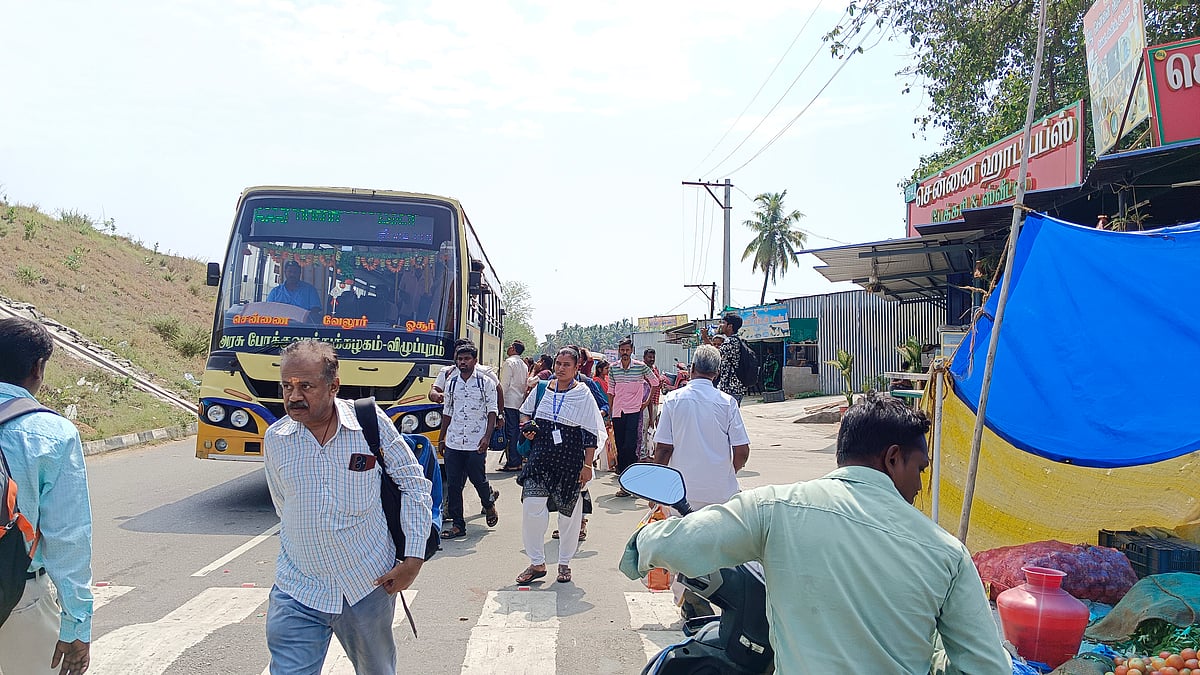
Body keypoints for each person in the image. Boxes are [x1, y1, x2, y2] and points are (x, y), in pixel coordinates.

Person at [621, 394, 1011, 673]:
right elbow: (985, 666)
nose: (919, 486)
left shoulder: (774, 508)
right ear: (893, 459)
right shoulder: (947, 553)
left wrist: (641, 546)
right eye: (920, 470)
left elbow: (687, 540)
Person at [263, 340, 433, 675]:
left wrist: (413, 559)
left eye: (306, 386)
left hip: (365, 586)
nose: (294, 396)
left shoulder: (369, 424)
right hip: (299, 587)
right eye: (287, 386)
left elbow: (413, 485)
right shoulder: (276, 439)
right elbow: (284, 504)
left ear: (333, 386)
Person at [0, 318, 93, 675]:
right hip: (19, 593)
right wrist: (76, 627)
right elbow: (68, 539)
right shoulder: (52, 433)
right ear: (38, 368)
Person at [652, 344, 750, 618]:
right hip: (721, 491)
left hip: (681, 491)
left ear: (691, 368)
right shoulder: (727, 402)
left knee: (683, 544)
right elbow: (741, 451)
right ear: (717, 373)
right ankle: (715, 596)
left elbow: (663, 449)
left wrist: (656, 486)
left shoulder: (673, 400)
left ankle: (690, 597)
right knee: (717, 546)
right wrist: (725, 472)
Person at [515, 347, 605, 585]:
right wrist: (528, 428)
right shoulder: (543, 388)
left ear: (577, 368)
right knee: (532, 507)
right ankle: (537, 563)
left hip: (570, 462)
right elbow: (524, 414)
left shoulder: (583, 393)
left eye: (567, 365)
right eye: (558, 364)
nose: (561, 368)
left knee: (569, 515)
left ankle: (564, 563)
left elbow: (590, 432)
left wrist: (587, 465)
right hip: (540, 459)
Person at [438, 343, 500, 540]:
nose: (462, 362)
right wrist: (442, 437)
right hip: (454, 441)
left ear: (474, 360)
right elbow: (447, 411)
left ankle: (488, 504)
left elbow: (492, 411)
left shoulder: (485, 382)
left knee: (477, 478)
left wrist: (487, 437)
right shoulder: (452, 383)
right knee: (454, 484)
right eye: (459, 359)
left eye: (466, 359)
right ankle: (458, 524)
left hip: (476, 441)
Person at [609, 338, 657, 493]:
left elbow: (655, 383)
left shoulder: (640, 367)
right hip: (618, 411)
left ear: (632, 350)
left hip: (634, 411)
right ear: (619, 350)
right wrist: (610, 412)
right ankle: (625, 483)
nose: (624, 353)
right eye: (622, 350)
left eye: (627, 350)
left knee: (630, 446)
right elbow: (611, 391)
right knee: (621, 446)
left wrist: (646, 401)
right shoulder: (613, 368)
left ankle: (632, 482)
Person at [499, 340, 529, 472]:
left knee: (511, 434)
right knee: (516, 433)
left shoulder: (509, 362)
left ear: (513, 349)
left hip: (509, 401)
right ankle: (516, 460)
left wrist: (498, 402)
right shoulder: (523, 365)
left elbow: (504, 385)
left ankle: (513, 462)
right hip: (519, 401)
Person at [638, 347, 672, 461]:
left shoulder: (654, 368)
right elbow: (646, 389)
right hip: (646, 403)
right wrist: (647, 403)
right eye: (649, 357)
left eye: (653, 357)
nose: (652, 359)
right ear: (644, 358)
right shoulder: (643, 369)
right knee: (643, 428)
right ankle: (642, 454)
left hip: (655, 402)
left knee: (651, 428)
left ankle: (648, 452)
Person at [707, 312, 747, 405]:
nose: (721, 325)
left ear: (730, 326)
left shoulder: (731, 341)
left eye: (724, 323)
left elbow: (714, 354)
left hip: (731, 388)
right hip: (731, 387)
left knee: (728, 417)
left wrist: (706, 337)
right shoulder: (734, 340)